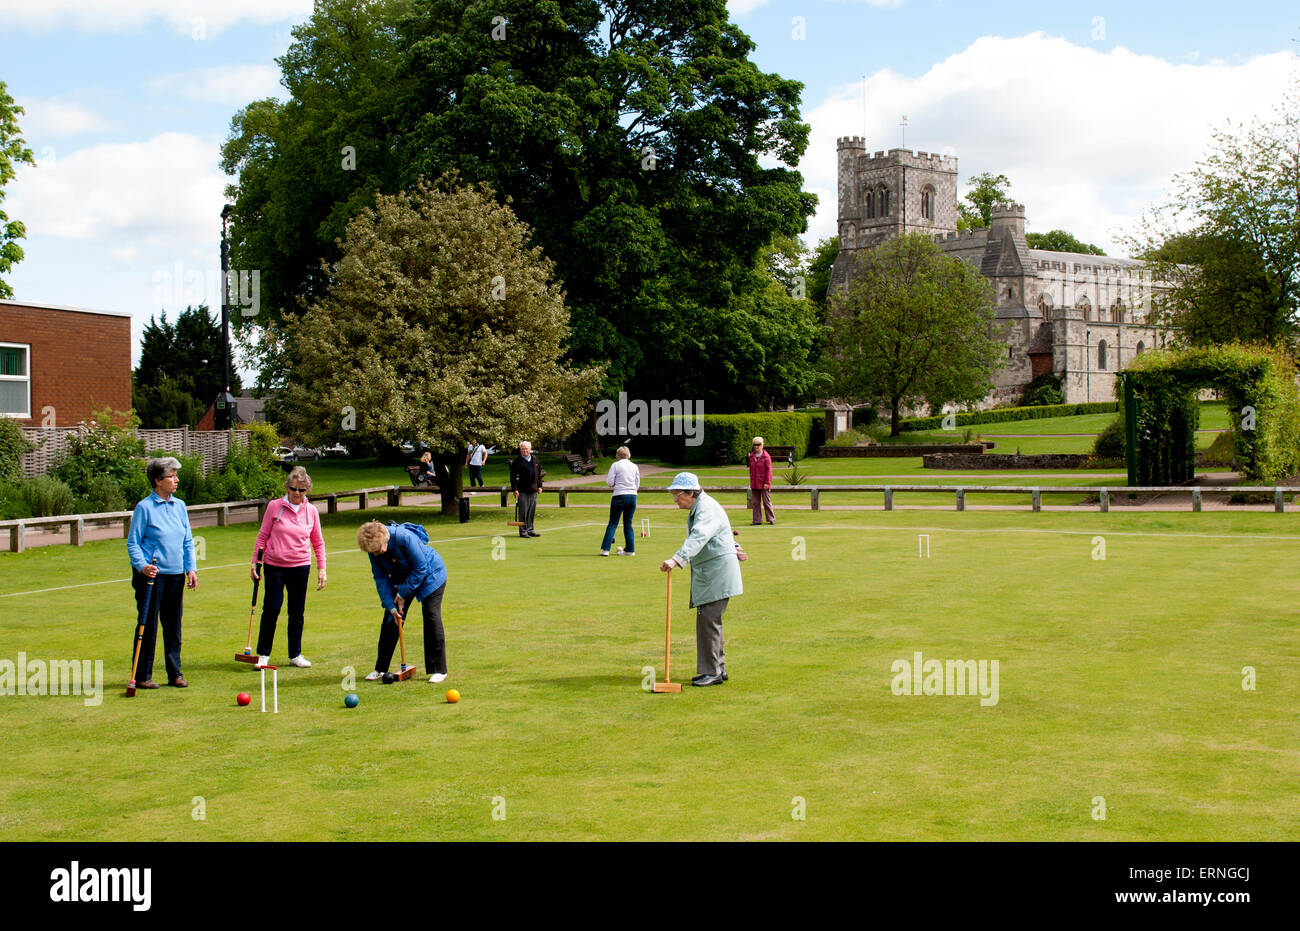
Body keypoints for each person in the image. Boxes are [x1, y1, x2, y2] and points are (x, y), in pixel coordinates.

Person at [659, 472, 746, 687]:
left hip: (716, 574)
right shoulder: (703, 507)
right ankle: (719, 668)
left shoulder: (706, 508)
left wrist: (676, 559)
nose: (675, 499)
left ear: (690, 492)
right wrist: (734, 547)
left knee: (708, 620)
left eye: (677, 494)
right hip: (712, 573)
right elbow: (720, 532)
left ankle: (712, 672)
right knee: (710, 621)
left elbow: (700, 536)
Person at [125, 457, 198, 689]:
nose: (176, 480)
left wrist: (191, 568)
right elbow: (133, 542)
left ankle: (175, 673)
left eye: (176, 475)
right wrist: (141, 565)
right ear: (157, 480)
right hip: (151, 576)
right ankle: (143, 675)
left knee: (173, 625)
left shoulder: (180, 506)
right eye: (171, 476)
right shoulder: (144, 508)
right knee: (148, 625)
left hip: (176, 575)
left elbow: (187, 540)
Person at [250, 466, 327, 668]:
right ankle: (263, 654)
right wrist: (255, 563)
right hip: (274, 565)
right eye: (293, 488)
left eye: (301, 490)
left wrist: (322, 568)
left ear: (307, 491)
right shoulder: (275, 507)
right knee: (272, 608)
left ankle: (295, 654)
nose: (296, 493)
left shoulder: (311, 512)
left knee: (296, 611)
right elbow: (262, 535)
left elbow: (318, 542)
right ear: (287, 487)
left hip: (300, 566)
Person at [356, 520, 449, 684]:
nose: (377, 554)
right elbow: (380, 578)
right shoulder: (373, 550)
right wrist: (391, 606)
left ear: (384, 539)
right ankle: (381, 668)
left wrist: (402, 593)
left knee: (431, 614)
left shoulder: (403, 537)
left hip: (431, 574)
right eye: (373, 552)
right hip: (403, 579)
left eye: (378, 549)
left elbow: (421, 567)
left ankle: (439, 669)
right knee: (391, 618)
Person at [600, 445, 639, 557]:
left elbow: (610, 482)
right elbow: (637, 484)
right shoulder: (634, 466)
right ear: (628, 455)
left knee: (613, 523)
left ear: (617, 455)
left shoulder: (615, 465)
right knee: (628, 523)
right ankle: (630, 550)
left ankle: (605, 550)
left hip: (619, 496)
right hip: (632, 496)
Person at [508, 440, 544, 537]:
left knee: (531, 511)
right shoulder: (517, 461)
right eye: (523, 449)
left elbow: (538, 474)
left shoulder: (535, 459)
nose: (525, 450)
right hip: (522, 490)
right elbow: (513, 477)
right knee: (523, 512)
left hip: (533, 489)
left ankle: (530, 529)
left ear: (530, 449)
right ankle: (523, 531)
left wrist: (540, 486)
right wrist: (515, 489)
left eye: (526, 448)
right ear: (520, 450)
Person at [748, 435, 775, 525]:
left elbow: (769, 471)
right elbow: (751, 471)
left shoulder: (766, 457)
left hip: (764, 483)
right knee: (755, 503)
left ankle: (771, 519)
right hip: (755, 483)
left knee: (766, 502)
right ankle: (757, 520)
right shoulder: (751, 457)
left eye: (758, 444)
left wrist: (767, 482)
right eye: (755, 445)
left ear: (762, 445)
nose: (756, 446)